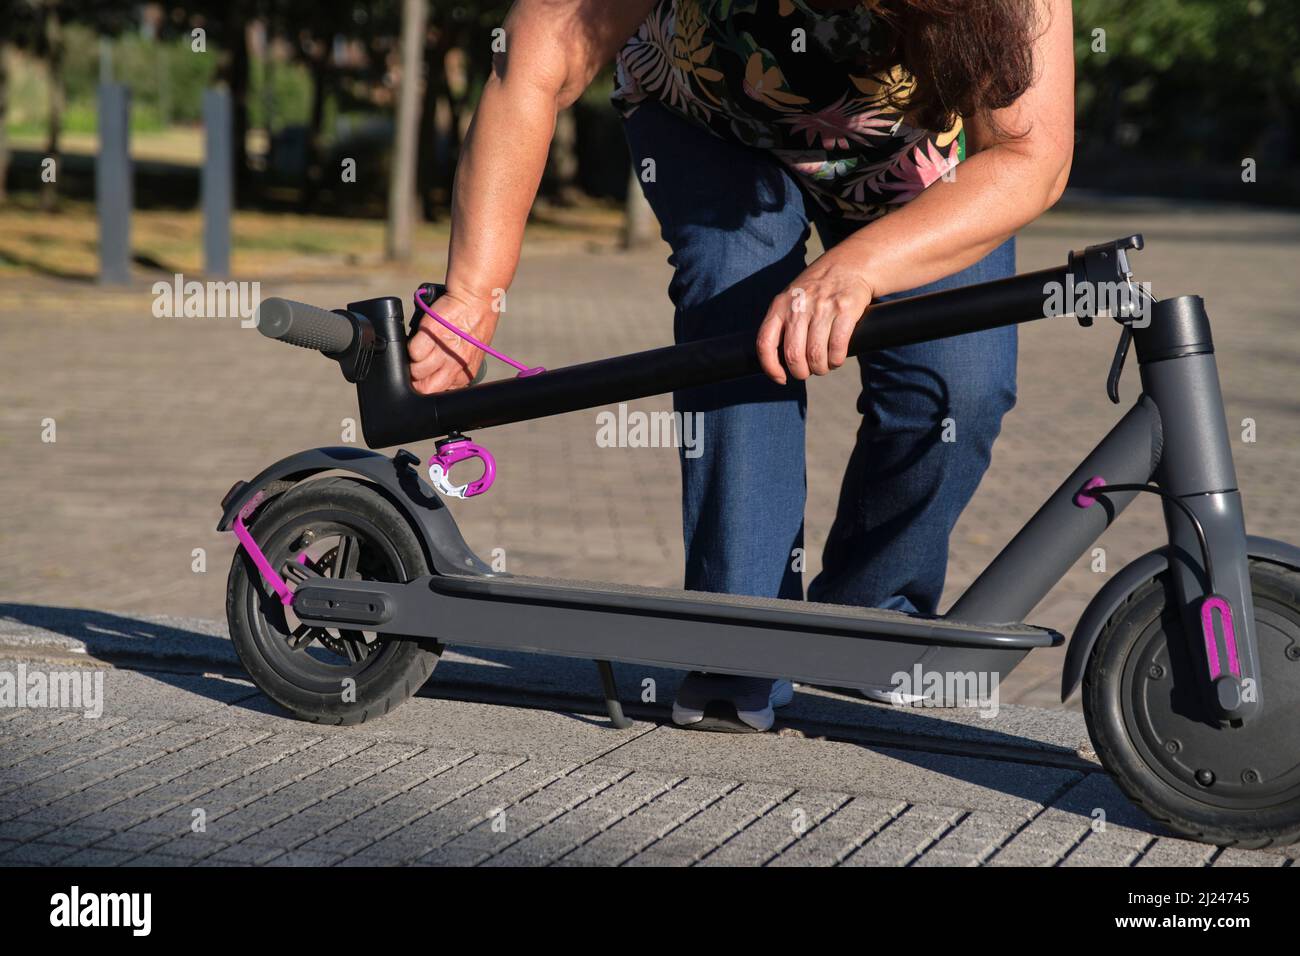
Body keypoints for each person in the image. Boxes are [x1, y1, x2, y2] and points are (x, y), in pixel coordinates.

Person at [408, 0, 1075, 731]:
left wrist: (858, 268)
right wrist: (473, 294)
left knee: (961, 387)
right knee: (738, 314)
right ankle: (740, 642)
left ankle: (868, 621)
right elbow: (538, 62)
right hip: (707, 112)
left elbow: (1030, 158)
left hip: (909, 162)